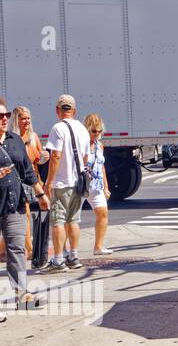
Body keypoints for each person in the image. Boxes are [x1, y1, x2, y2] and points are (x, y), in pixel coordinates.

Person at [0, 98, 47, 314]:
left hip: (14, 203)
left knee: (17, 249)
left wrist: (40, 193)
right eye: (0, 116)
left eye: (6, 115)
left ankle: (22, 295)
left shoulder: (15, 140)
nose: (4, 119)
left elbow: (27, 170)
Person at [43, 94, 90, 273]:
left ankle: (58, 260)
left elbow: (55, 156)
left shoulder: (58, 128)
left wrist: (49, 182)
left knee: (58, 221)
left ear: (57, 110)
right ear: (74, 110)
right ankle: (73, 256)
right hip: (78, 182)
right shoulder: (82, 129)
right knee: (74, 220)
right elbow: (85, 157)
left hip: (61, 183)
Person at [13, 107, 44, 264]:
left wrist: (44, 156)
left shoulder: (33, 136)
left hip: (33, 179)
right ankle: (29, 249)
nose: (27, 121)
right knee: (24, 213)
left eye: (28, 118)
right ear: (16, 120)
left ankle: (22, 247)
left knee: (33, 213)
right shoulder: (12, 138)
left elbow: (40, 159)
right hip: (18, 180)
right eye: (23, 118)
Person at [83, 113, 112, 256]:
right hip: (81, 184)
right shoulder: (81, 145)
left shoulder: (99, 145)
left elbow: (101, 167)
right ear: (87, 129)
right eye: (94, 131)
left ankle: (98, 247)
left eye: (100, 131)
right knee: (71, 218)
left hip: (97, 184)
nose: (97, 134)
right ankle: (66, 250)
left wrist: (106, 187)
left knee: (103, 212)